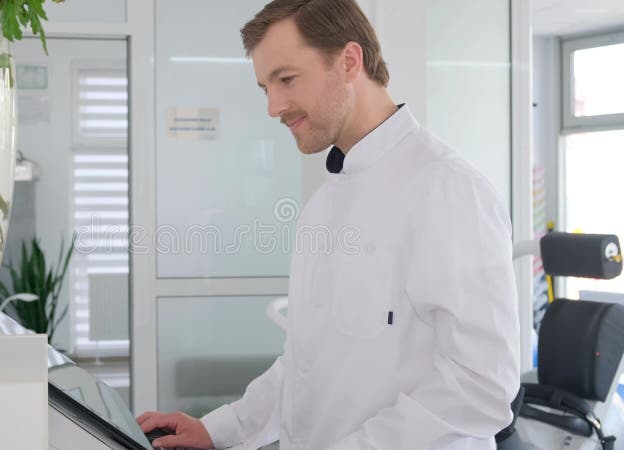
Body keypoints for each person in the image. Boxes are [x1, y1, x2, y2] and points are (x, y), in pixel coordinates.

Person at [137, 0, 521, 448]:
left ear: (349, 61)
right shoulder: (324, 204)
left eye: (286, 79)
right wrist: (219, 429)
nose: (273, 106)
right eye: (265, 87)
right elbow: (305, 364)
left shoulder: (449, 190)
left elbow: (481, 386)